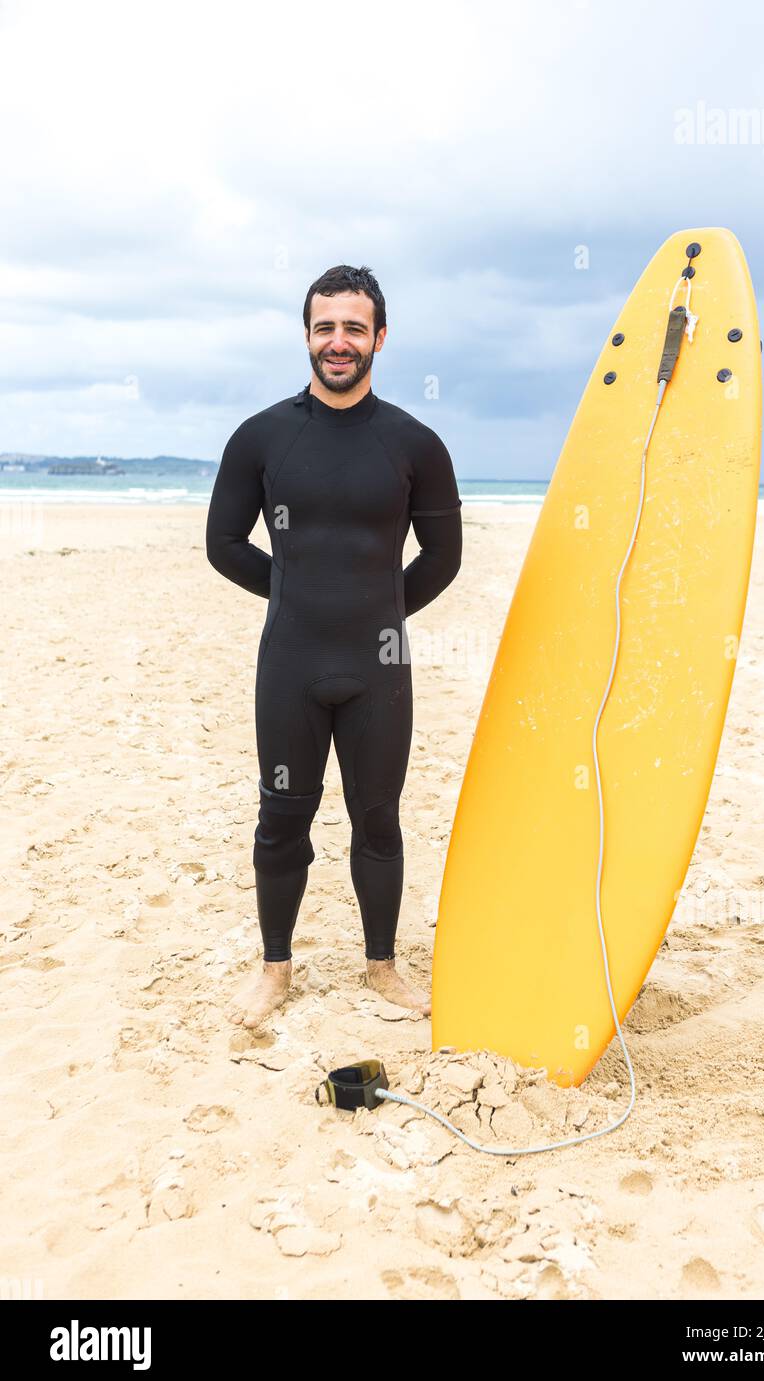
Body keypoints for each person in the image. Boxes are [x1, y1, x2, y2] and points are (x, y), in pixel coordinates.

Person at [206, 264, 462, 1028]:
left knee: (376, 819)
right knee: (281, 817)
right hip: (290, 661)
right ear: (307, 338)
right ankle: (274, 967)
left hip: (378, 669)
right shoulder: (262, 437)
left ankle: (381, 964)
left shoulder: (413, 443)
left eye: (354, 327)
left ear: (379, 337)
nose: (338, 342)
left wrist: (376, 615)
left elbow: (442, 561)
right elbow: (224, 545)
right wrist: (299, 599)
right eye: (325, 327)